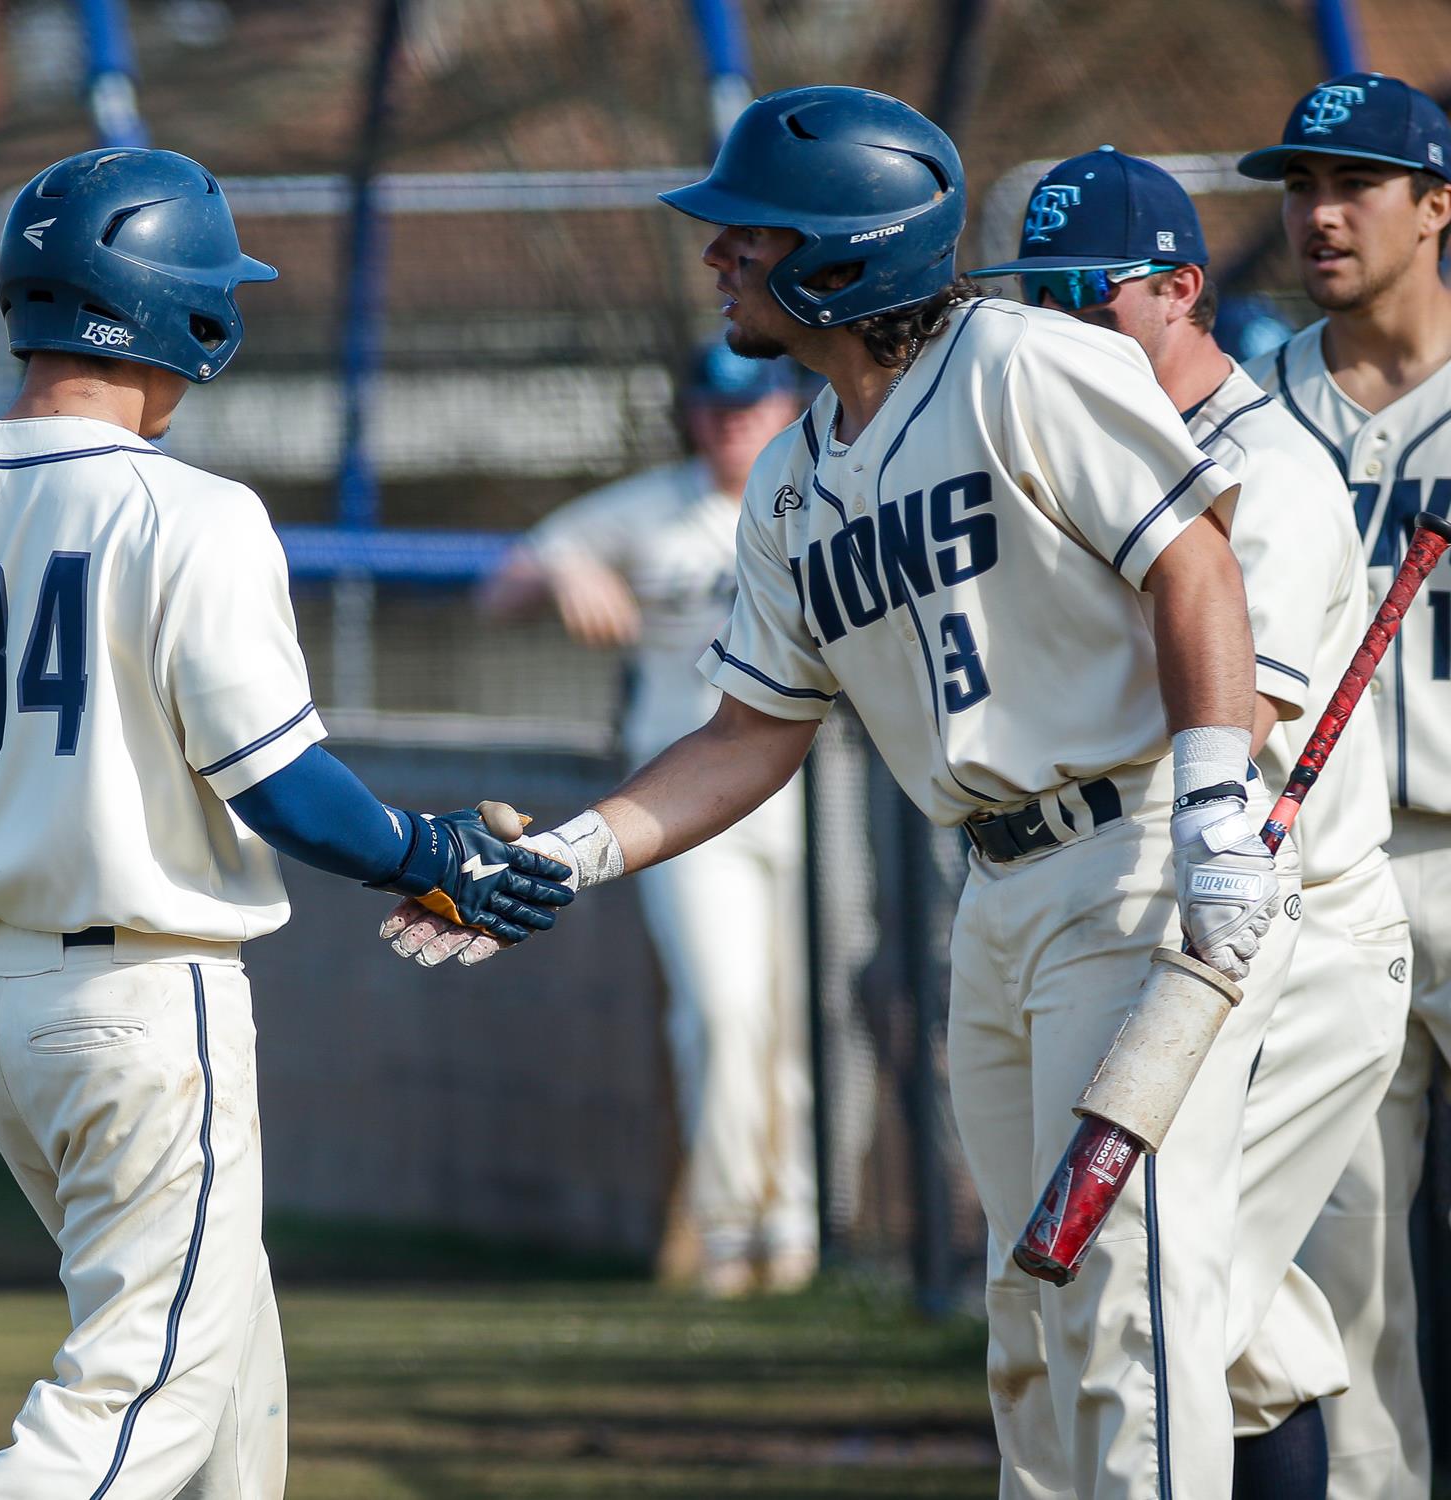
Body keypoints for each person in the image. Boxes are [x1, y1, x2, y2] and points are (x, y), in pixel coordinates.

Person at [384, 86, 1295, 1499]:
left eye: (744, 237)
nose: (717, 263)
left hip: (1140, 868)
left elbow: (1196, 564)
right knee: (1033, 1317)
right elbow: (750, 734)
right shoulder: (795, 480)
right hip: (997, 891)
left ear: (841, 253)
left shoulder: (1021, 364)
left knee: (1131, 1294)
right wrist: (572, 857)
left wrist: (1219, 809)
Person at [0, 147, 572, 1500]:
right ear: (178, 309)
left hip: (6, 1009)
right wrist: (432, 857)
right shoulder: (187, 512)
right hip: (146, 1005)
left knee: (229, 1401)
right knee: (135, 1404)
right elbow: (280, 786)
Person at [972, 145, 1413, 1499]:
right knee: (1196, 1324)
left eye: (1087, 300)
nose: (1059, 330)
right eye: (1034, 301)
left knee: (1156, 1313)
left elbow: (1233, 728)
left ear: (1179, 292)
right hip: (1159, 931)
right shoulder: (1093, 458)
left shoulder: (1259, 474)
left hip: (1296, 951)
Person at [481, 346, 816, 1296]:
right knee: (720, 1008)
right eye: (714, 407)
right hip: (687, 800)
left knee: (809, 1021)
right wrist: (563, 568)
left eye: (750, 405)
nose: (732, 423)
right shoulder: (654, 506)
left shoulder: (822, 486)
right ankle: (724, 1231)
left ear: (785, 404)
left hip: (813, 798)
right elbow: (499, 586)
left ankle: (796, 1229)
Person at [1239, 71, 1451, 1500]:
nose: (1320, 214)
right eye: (1302, 186)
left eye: (1355, 184)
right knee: (1347, 1269)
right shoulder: (1251, 411)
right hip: (1323, 878)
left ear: (1438, 206)